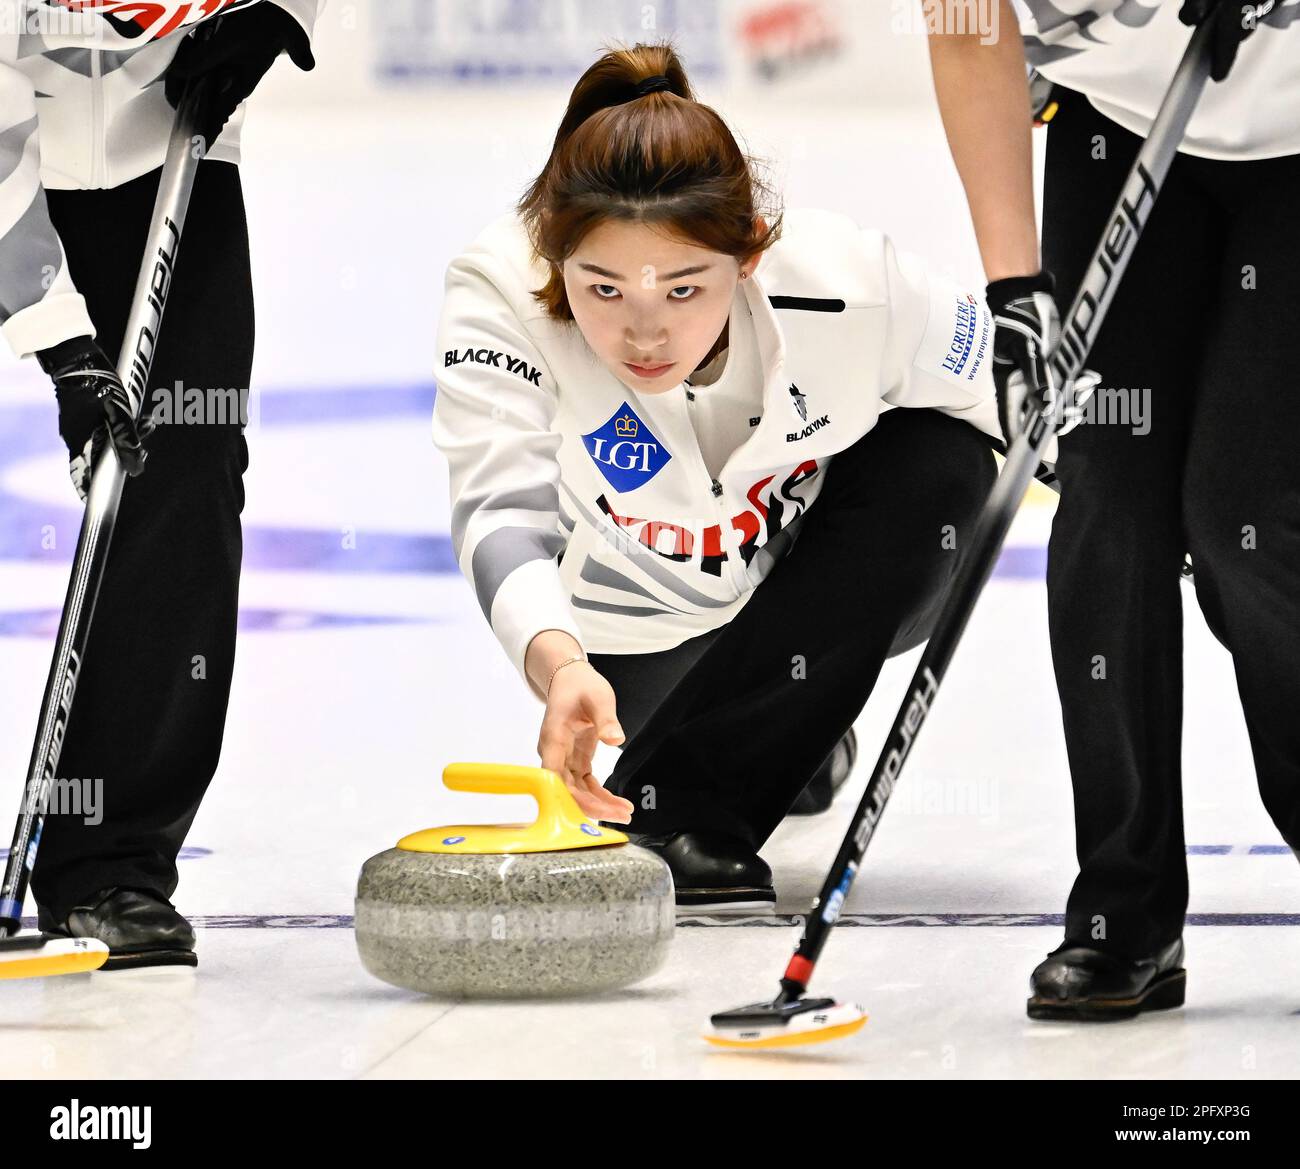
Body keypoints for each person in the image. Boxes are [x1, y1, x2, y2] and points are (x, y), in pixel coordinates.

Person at [431, 42, 1063, 912]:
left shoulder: (854, 283)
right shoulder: (500, 289)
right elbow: (499, 506)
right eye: (603, 290)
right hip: (636, 649)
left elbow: (1028, 400)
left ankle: (686, 817)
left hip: (811, 602)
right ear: (555, 256)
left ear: (751, 254)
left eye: (686, 290)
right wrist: (557, 657)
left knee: (944, 462)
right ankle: (793, 732)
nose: (644, 334)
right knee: (716, 697)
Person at [927, 0, 1300, 1018]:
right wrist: (1015, 288)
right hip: (1116, 132)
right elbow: (968, 30)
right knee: (1109, 504)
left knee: (1248, 513)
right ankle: (1122, 909)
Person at [0, 0, 323, 969]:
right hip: (18, 151)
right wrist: (61, 345)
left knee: (185, 470)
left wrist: (276, 13)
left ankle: (109, 859)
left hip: (174, 133)